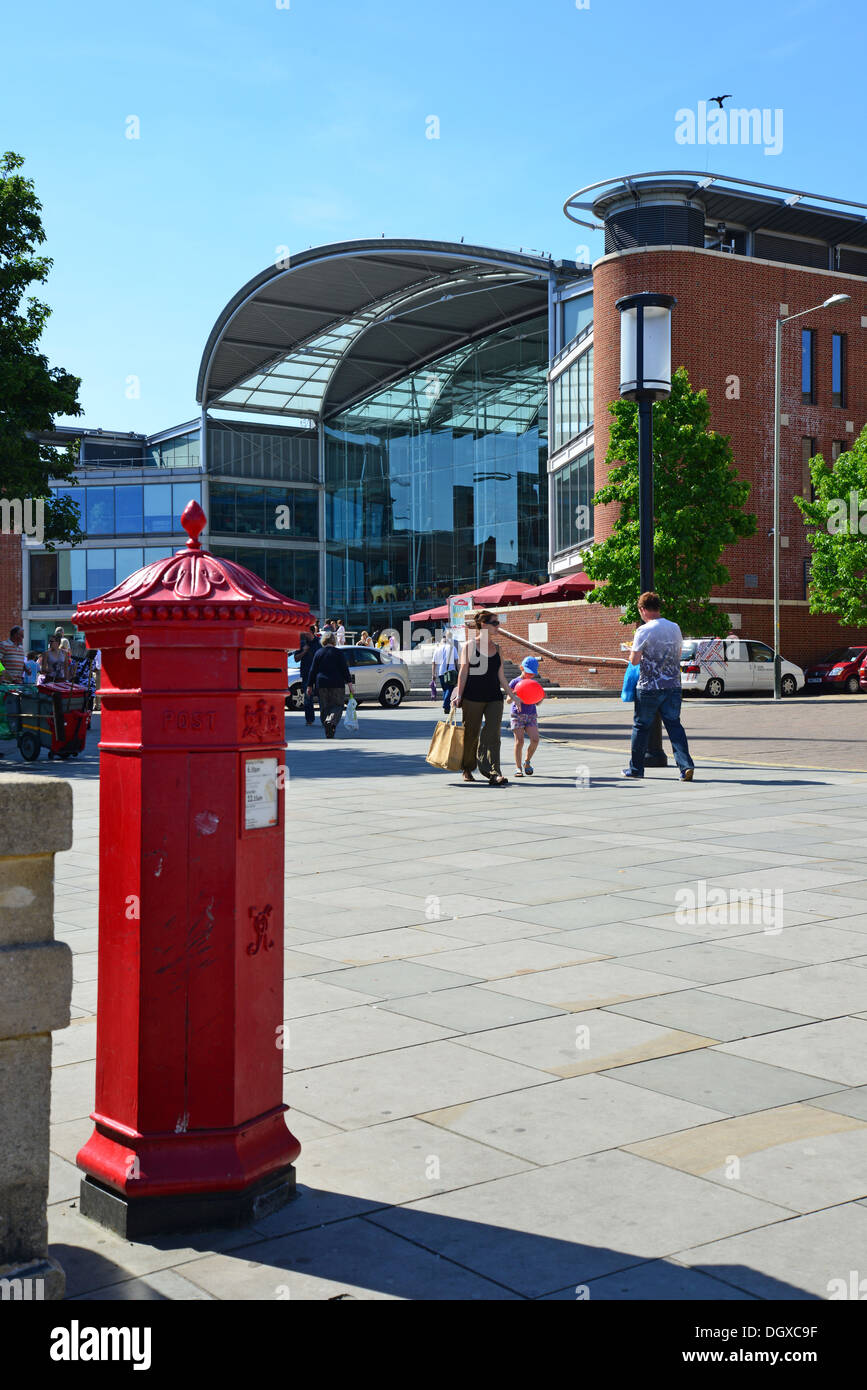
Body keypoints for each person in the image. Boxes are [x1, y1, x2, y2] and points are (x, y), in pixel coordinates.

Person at [622, 591, 695, 782]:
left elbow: (635, 661)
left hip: (649, 687)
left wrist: (632, 652)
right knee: (674, 725)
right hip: (672, 685)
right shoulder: (674, 627)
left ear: (643, 609)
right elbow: (678, 654)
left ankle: (636, 768)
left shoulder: (643, 630)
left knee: (641, 726)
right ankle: (685, 766)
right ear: (658, 608)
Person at [452, 611, 514, 785]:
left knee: (493, 734)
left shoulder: (498, 649)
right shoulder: (469, 646)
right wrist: (459, 695)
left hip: (494, 697)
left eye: (498, 622)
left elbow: (501, 675)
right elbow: (463, 672)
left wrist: (512, 695)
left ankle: (493, 772)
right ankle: (467, 767)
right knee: (471, 734)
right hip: (472, 697)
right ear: (484, 625)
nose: (498, 626)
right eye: (495, 623)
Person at [306, 633, 355, 738]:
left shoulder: (318, 653)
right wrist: (350, 685)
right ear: (334, 641)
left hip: (322, 684)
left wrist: (309, 685)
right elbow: (344, 670)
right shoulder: (339, 653)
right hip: (337, 684)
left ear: (323, 641)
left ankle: (329, 729)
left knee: (324, 708)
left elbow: (312, 670)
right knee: (338, 705)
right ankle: (331, 721)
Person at [509, 656, 542, 777]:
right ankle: (518, 768)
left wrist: (540, 697)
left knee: (535, 739)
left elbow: (537, 701)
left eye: (532, 674)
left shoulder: (534, 683)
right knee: (520, 741)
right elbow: (508, 700)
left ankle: (527, 762)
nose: (530, 676)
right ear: (521, 668)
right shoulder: (514, 682)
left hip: (531, 714)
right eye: (528, 672)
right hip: (517, 714)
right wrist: (514, 695)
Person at [294, 625, 321, 726]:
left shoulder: (319, 642)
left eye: (305, 631)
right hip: (306, 674)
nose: (303, 633)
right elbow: (296, 658)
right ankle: (309, 720)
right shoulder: (302, 643)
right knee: (307, 697)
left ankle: (324, 719)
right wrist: (304, 651)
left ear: (310, 632)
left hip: (318, 674)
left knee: (321, 697)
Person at [431, 628, 459, 713]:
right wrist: (459, 670)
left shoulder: (437, 648)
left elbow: (433, 662)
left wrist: (433, 674)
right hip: (450, 672)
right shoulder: (452, 647)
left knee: (445, 689)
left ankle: (446, 708)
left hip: (441, 672)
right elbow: (456, 661)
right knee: (450, 689)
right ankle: (446, 705)